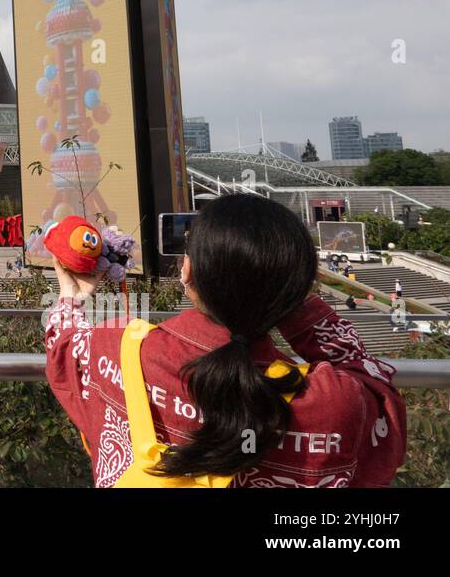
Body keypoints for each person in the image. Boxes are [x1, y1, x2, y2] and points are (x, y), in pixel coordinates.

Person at [45, 194, 406, 487]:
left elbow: (64, 348)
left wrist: (70, 297)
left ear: (187, 271)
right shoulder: (334, 402)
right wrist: (286, 294)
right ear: (297, 287)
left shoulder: (121, 350)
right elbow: (373, 383)